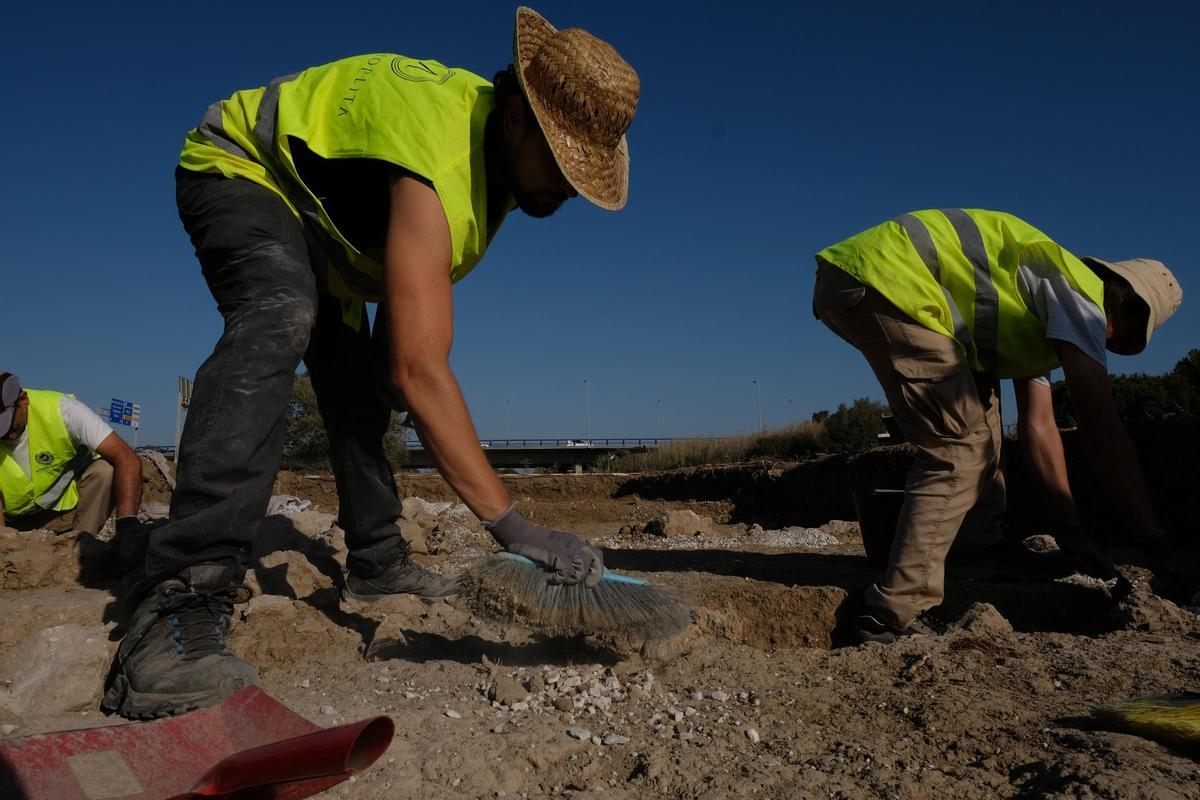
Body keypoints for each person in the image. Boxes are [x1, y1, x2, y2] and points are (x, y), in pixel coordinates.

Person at [102, 7, 639, 719]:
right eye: (564, 167)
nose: (570, 190)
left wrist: (393, 373)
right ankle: (176, 604)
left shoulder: (496, 169)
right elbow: (423, 368)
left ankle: (378, 565)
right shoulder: (440, 154)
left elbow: (403, 351)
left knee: (360, 391)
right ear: (516, 121)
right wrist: (515, 527)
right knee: (279, 313)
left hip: (330, 240)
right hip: (245, 168)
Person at [811, 209, 1182, 643]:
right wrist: (1151, 538)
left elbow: (1039, 428)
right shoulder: (1082, 301)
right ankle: (891, 611)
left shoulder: (1047, 309)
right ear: (1126, 318)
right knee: (959, 445)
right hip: (885, 278)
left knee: (984, 426)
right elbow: (1101, 429)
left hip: (883, 282)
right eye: (1121, 342)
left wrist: (1070, 532)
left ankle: (978, 548)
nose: (1109, 350)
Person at [0, 372, 143, 538]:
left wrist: (127, 527)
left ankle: (82, 544)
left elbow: (126, 458)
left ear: (23, 400)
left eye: (7, 422)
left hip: (60, 513)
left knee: (105, 471)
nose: (5, 433)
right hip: (11, 520)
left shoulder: (63, 411)